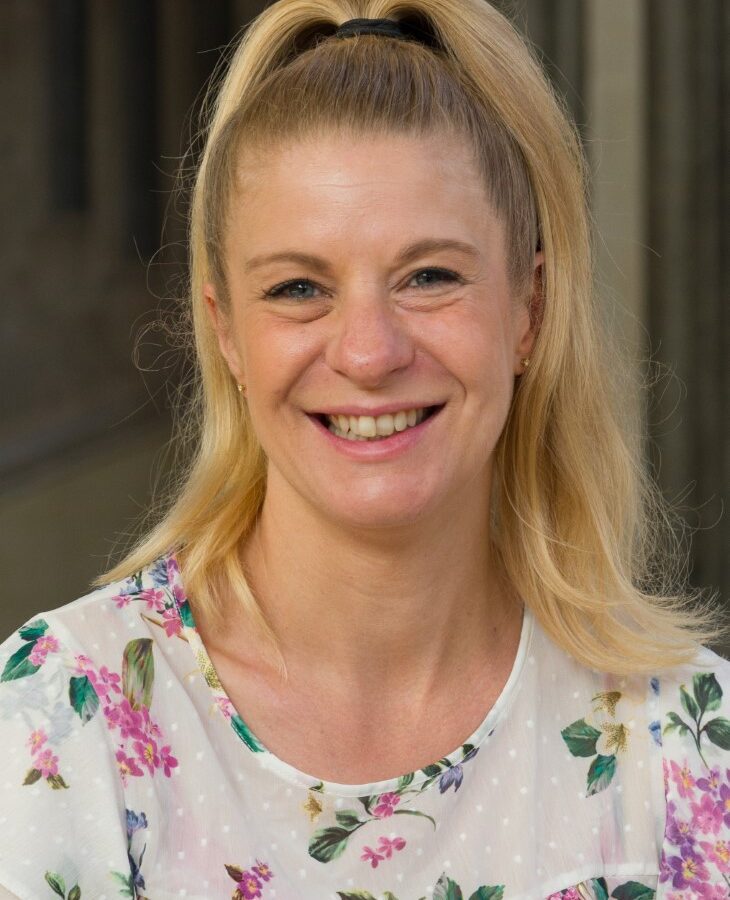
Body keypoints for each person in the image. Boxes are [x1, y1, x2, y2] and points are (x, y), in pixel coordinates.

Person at [1, 1, 727, 897]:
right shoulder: (61, 722)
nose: (369, 353)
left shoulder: (693, 744)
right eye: (300, 287)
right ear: (225, 331)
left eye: (430, 277)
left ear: (530, 310)